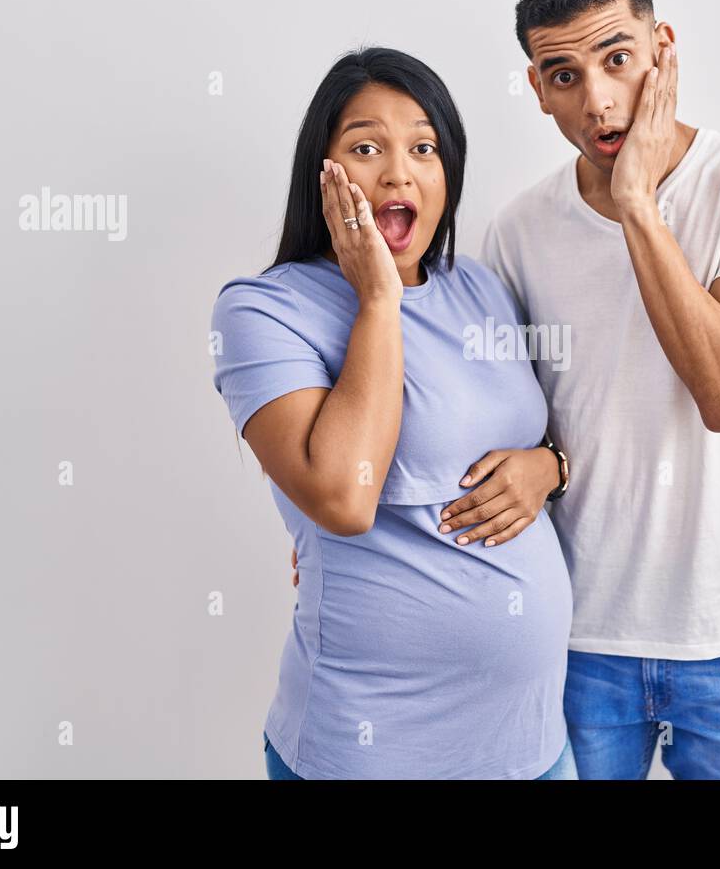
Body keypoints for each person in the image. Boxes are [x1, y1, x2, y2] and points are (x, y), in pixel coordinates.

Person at [474, 0, 720, 778]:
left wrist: (637, 203)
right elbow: (491, 422)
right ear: (537, 88)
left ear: (663, 47)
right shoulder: (517, 232)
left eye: (617, 58)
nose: (597, 100)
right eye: (564, 75)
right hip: (576, 636)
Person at [210, 47, 576, 779]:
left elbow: (527, 436)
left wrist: (551, 468)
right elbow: (344, 498)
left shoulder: (479, 287)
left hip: (533, 748)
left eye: (423, 148)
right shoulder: (264, 310)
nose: (398, 173)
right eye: (366, 148)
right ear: (322, 171)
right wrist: (378, 298)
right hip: (371, 751)